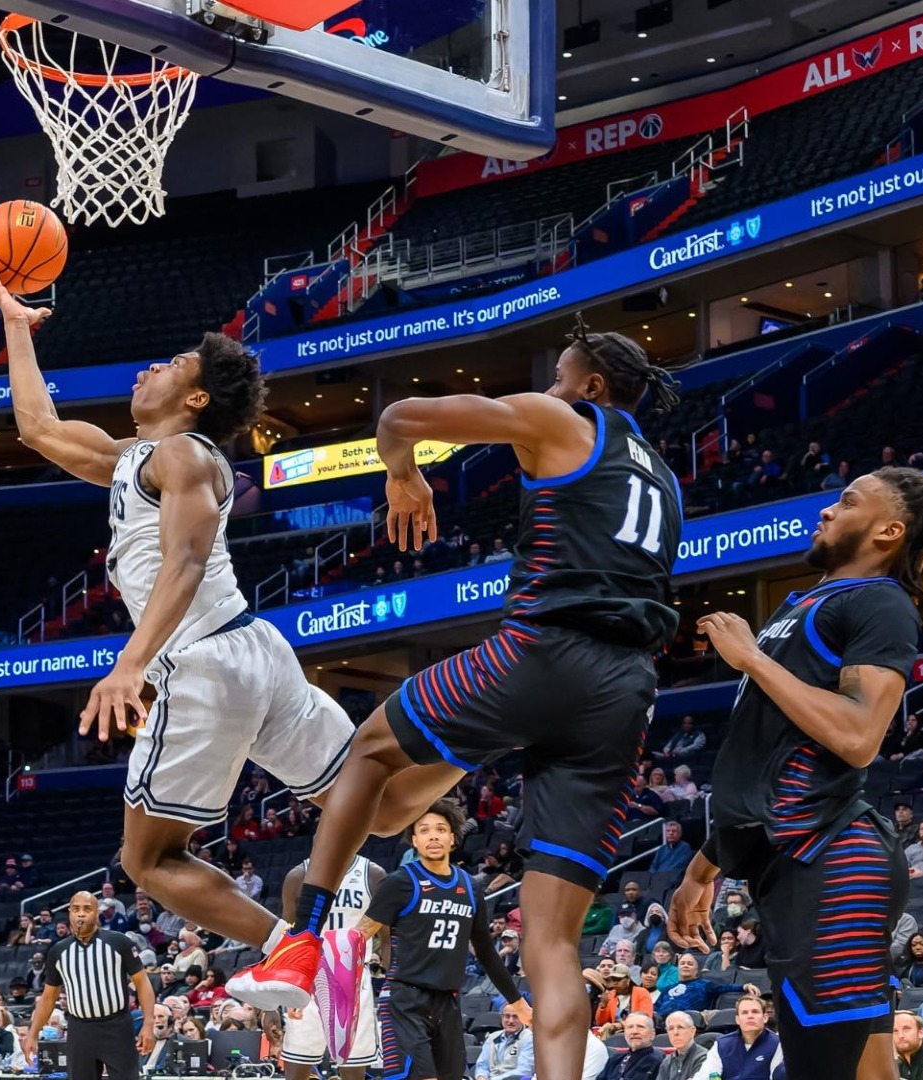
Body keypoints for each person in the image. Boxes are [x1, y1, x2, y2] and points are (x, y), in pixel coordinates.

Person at [235, 322, 683, 1080]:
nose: (547, 391)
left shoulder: (560, 421)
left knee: (369, 752)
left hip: (543, 651)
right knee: (544, 939)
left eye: (559, 376)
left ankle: (304, 940)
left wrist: (403, 475)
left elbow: (399, 419)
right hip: (626, 689)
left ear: (591, 389)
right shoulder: (666, 481)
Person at [0, 261, 372, 975]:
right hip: (256, 651)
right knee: (370, 801)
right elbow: (37, 427)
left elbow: (186, 562)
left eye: (171, 364)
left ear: (193, 397)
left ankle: (289, 950)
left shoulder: (185, 454)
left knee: (148, 857)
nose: (150, 366)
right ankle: (451, 758)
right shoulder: (141, 457)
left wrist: (129, 662)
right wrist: (15, 324)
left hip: (204, 663)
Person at [671, 466, 923, 1080]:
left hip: (832, 865)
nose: (828, 509)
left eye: (847, 501)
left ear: (888, 530)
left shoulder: (878, 602)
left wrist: (749, 657)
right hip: (798, 860)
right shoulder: (806, 605)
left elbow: (857, 737)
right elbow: (763, 766)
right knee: (869, 1073)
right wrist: (701, 871)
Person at [339, 801, 525, 1080]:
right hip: (405, 1001)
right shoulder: (399, 882)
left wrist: (520, 1005)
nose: (433, 835)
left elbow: (486, 953)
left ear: (453, 837)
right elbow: (357, 937)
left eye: (441, 829)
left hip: (448, 1003)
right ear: (414, 840)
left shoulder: (471, 887)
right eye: (424, 830)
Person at [21, 891, 155, 1080]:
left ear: (96, 912)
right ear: (69, 913)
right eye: (76, 909)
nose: (81, 914)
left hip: (116, 1027)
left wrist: (148, 1024)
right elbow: (48, 997)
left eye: (87, 909)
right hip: (79, 1029)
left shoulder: (118, 942)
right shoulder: (58, 952)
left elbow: (143, 984)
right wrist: (33, 1033)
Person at [275, 855, 386, 1080]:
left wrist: (391, 984)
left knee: (354, 1070)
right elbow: (284, 938)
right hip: (308, 975)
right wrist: (270, 1004)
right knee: (297, 1067)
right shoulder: (298, 875)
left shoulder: (373, 874)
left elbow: (387, 935)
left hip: (354, 977)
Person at [699, 996, 785, 1079]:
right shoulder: (722, 1044)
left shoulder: (778, 1044)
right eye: (744, 1012)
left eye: (755, 1012)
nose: (750, 1016)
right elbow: (705, 1075)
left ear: (765, 1018)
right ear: (737, 1019)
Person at [474, 1003, 533, 1080]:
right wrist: (481, 1077)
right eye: (507, 1016)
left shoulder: (529, 1038)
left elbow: (524, 1070)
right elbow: (482, 1065)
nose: (511, 1021)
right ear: (502, 1018)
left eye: (515, 1017)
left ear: (522, 1018)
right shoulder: (492, 1037)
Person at [595, 1013, 660, 1080]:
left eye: (641, 1027)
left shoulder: (659, 1062)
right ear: (625, 1033)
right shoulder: (615, 1060)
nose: (634, 1032)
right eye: (630, 1027)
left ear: (652, 1034)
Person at [658, 1011, 708, 1080]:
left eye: (680, 1027)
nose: (675, 1032)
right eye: (671, 1028)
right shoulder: (667, 1061)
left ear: (692, 1031)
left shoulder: (704, 1057)